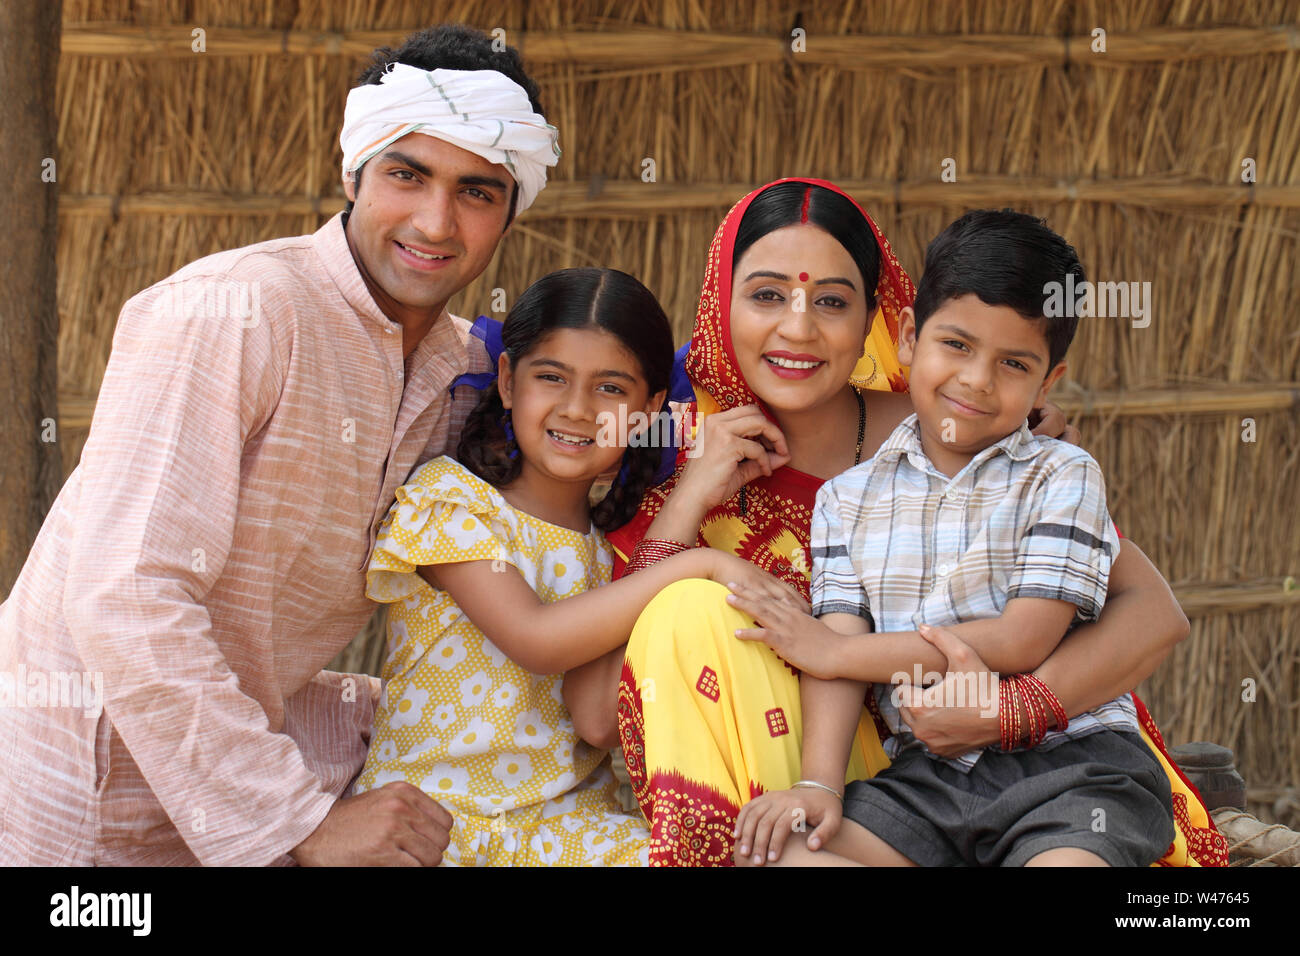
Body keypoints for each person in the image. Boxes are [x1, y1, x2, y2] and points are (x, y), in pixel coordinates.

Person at [0, 24, 560, 866]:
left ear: (511, 212)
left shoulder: (466, 372)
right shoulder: (233, 311)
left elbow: (589, 445)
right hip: (65, 797)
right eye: (407, 175)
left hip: (229, 790)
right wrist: (299, 824)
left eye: (478, 191)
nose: (436, 221)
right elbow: (126, 597)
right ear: (352, 172)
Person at [602, 178, 1228, 867]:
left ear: (877, 317)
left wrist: (1009, 710)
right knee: (693, 623)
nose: (799, 328)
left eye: (833, 302)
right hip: (909, 784)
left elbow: (1151, 615)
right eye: (767, 295)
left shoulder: (991, 444)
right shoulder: (686, 448)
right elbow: (602, 710)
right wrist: (691, 508)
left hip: (1061, 759)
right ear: (722, 302)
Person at [730, 209, 1175, 866]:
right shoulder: (846, 500)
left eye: (1013, 363)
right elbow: (840, 637)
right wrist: (819, 783)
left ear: (1047, 382)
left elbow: (1025, 639)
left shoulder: (1060, 475)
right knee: (784, 853)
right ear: (908, 337)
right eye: (957, 345)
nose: (976, 381)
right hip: (931, 780)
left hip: (1073, 770)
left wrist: (827, 651)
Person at [351, 268, 793, 864]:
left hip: (572, 831)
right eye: (551, 377)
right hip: (433, 825)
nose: (579, 409)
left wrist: (687, 503)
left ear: (650, 408)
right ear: (508, 380)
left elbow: (599, 722)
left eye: (611, 388)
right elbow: (537, 639)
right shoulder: (452, 502)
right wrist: (702, 565)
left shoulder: (611, 551)